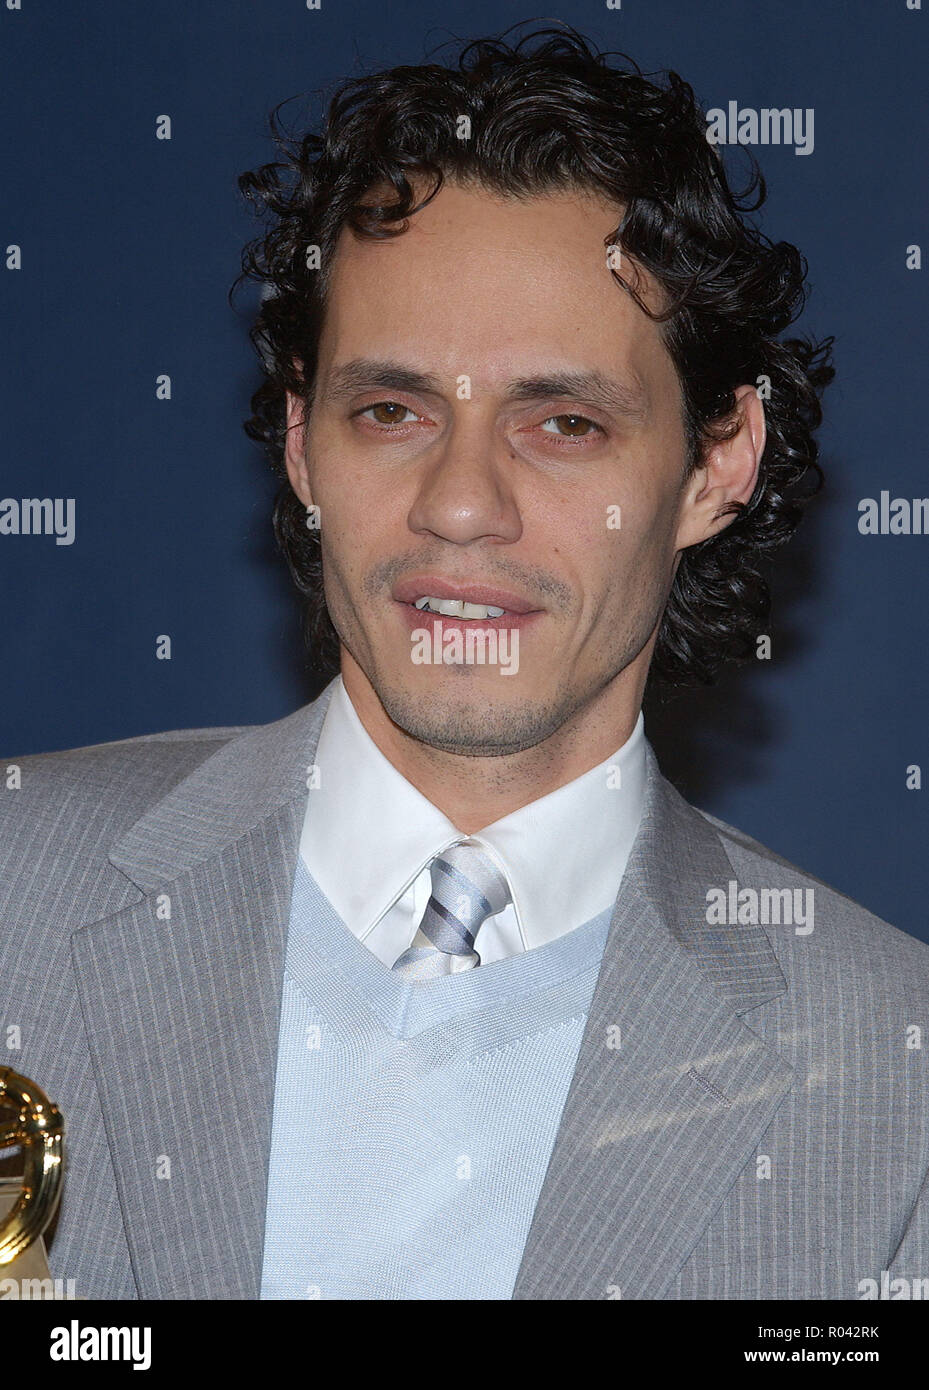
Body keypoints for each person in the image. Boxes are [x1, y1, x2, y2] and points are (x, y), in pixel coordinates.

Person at [2, 27, 927, 1302]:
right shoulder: (16, 895)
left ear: (717, 462)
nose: (459, 503)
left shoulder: (891, 1082)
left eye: (564, 423)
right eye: (392, 411)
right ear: (301, 442)